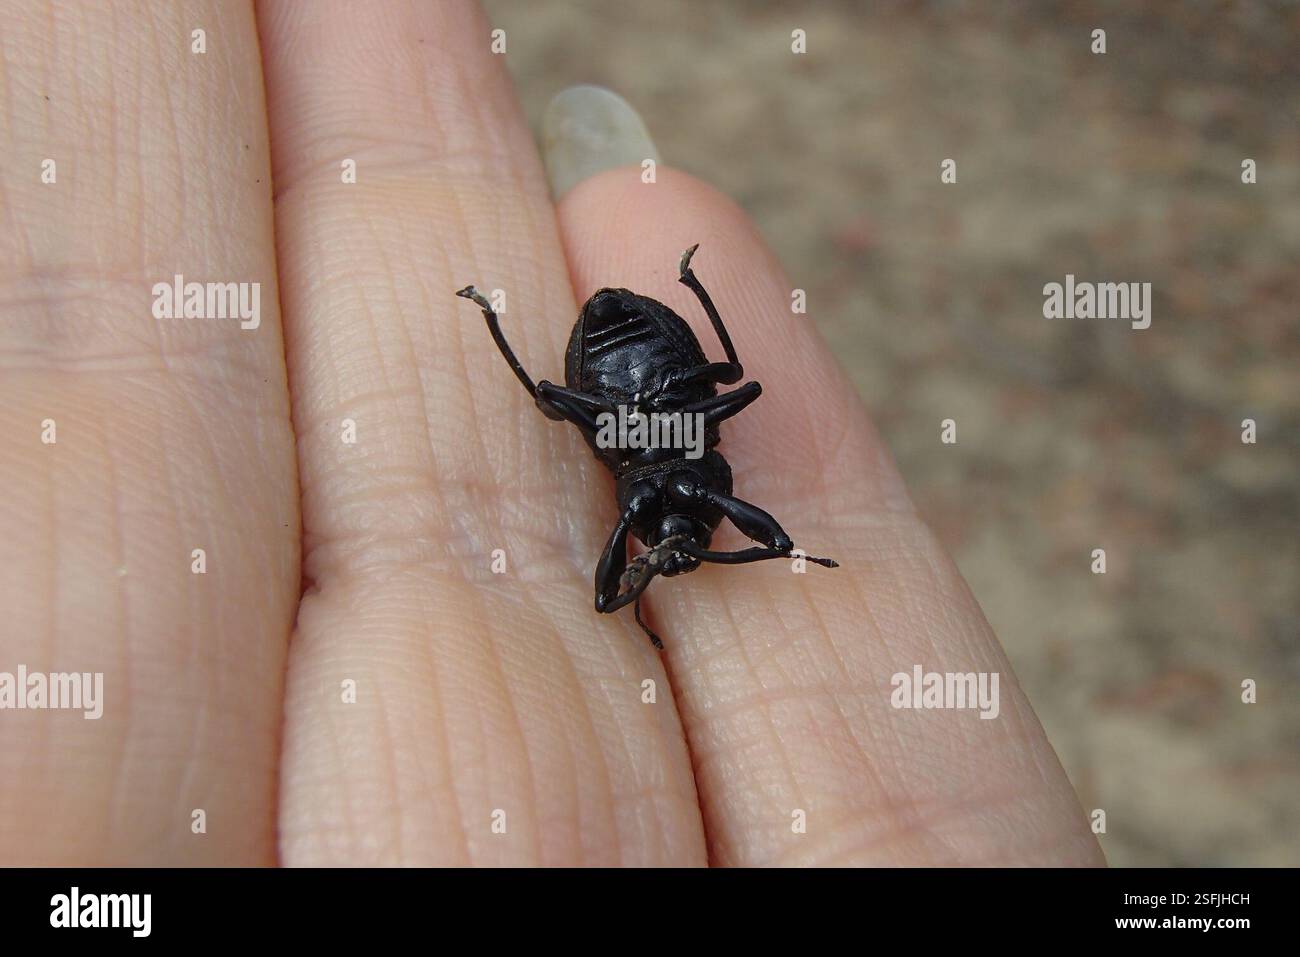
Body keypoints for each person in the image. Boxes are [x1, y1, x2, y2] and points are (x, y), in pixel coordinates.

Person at [0, 1, 1103, 866]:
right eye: (677, 537)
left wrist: (722, 546)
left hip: (632, 390)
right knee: (699, 393)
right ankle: (512, 320)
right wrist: (680, 394)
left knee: (685, 407)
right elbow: (675, 502)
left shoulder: (673, 497)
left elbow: (668, 546)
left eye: (672, 541)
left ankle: (530, 322)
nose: (674, 535)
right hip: (645, 368)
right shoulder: (686, 473)